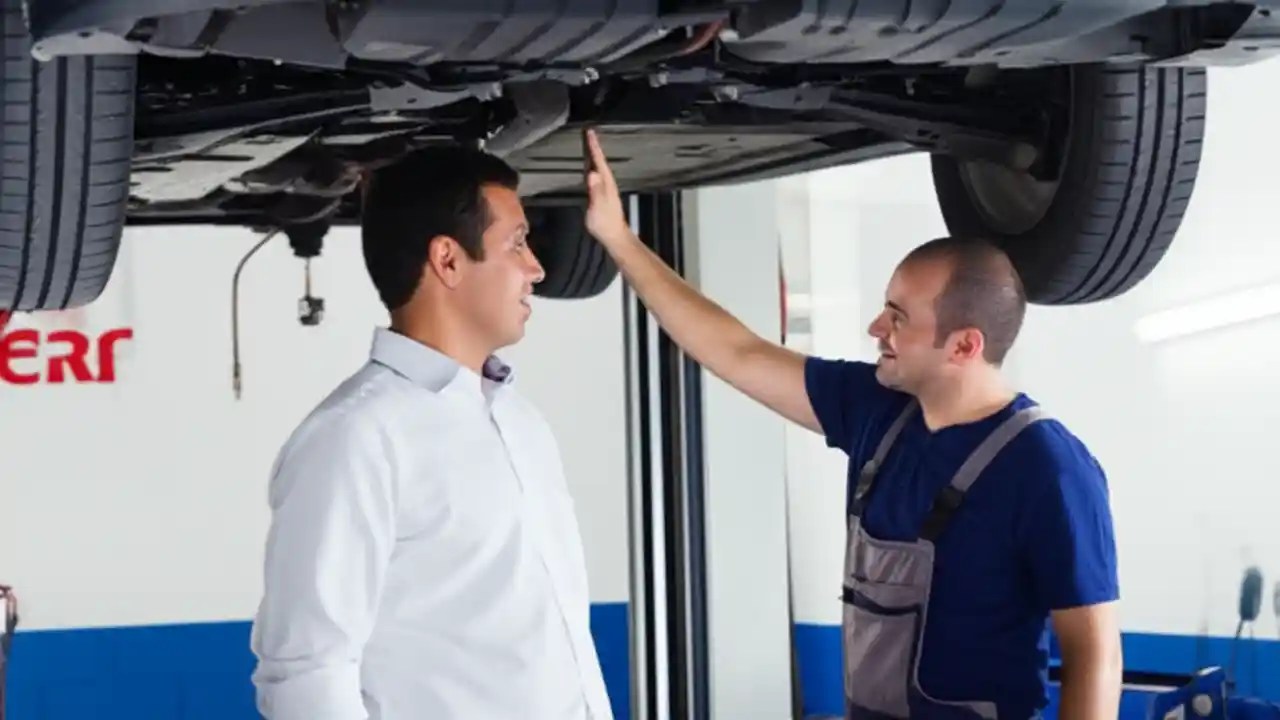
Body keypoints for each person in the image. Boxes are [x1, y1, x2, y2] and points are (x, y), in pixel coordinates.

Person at [579, 129, 1123, 719]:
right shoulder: (876, 409)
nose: (875, 331)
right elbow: (737, 352)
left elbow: (1093, 653)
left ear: (964, 345)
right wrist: (618, 239)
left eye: (897, 318)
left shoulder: (1049, 470)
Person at [249, 145, 614, 720]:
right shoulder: (355, 439)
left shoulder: (520, 422)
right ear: (447, 260)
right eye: (517, 243)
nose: (537, 269)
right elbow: (307, 673)